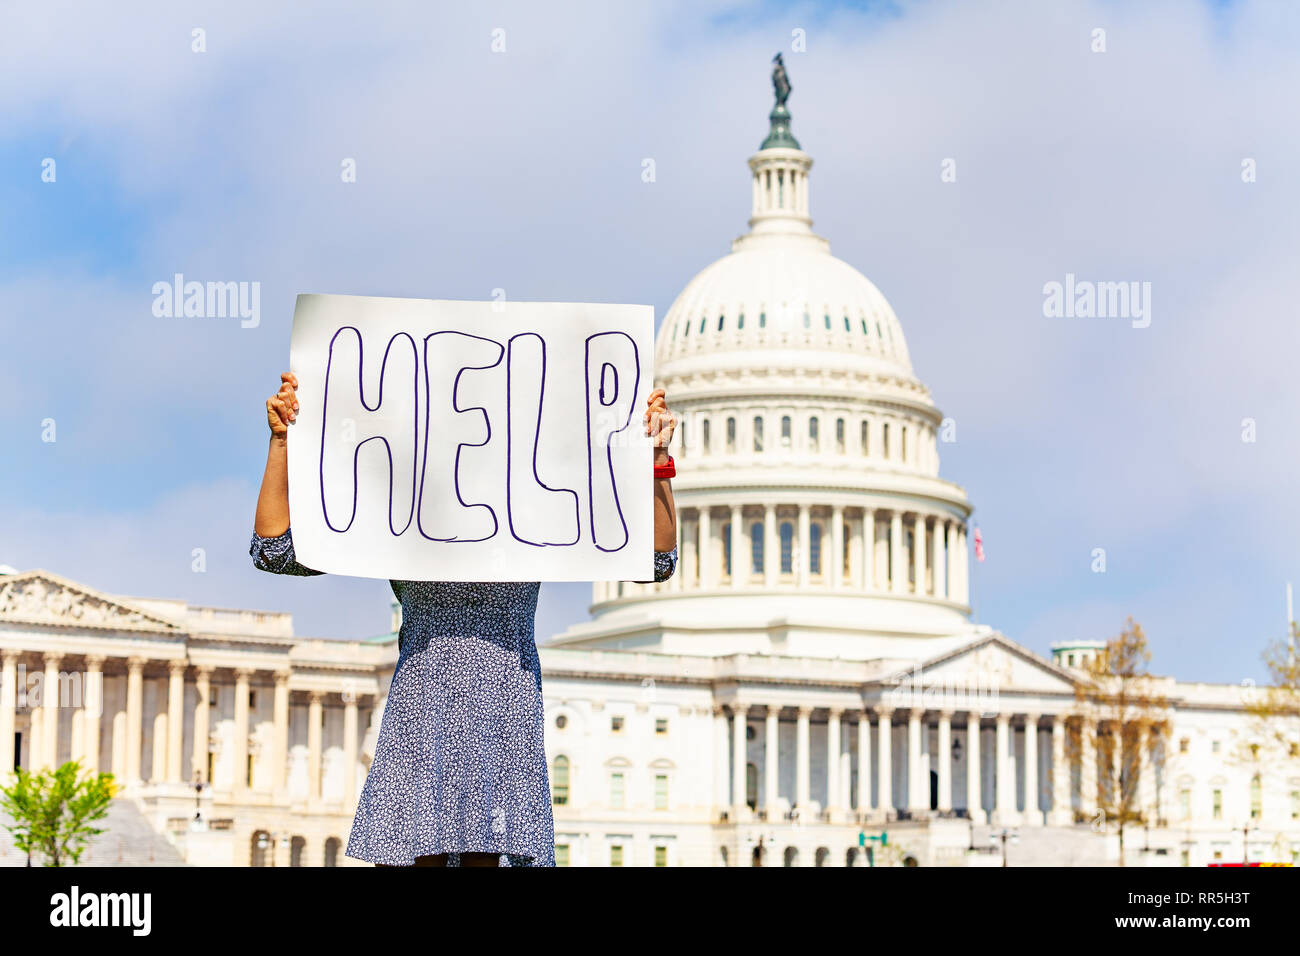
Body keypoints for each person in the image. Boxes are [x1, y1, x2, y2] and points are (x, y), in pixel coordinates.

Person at [250, 371, 678, 866]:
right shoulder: (398, 505)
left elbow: (655, 561)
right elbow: (274, 549)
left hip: (497, 710)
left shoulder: (539, 502)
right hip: (429, 708)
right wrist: (282, 439)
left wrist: (657, 459)